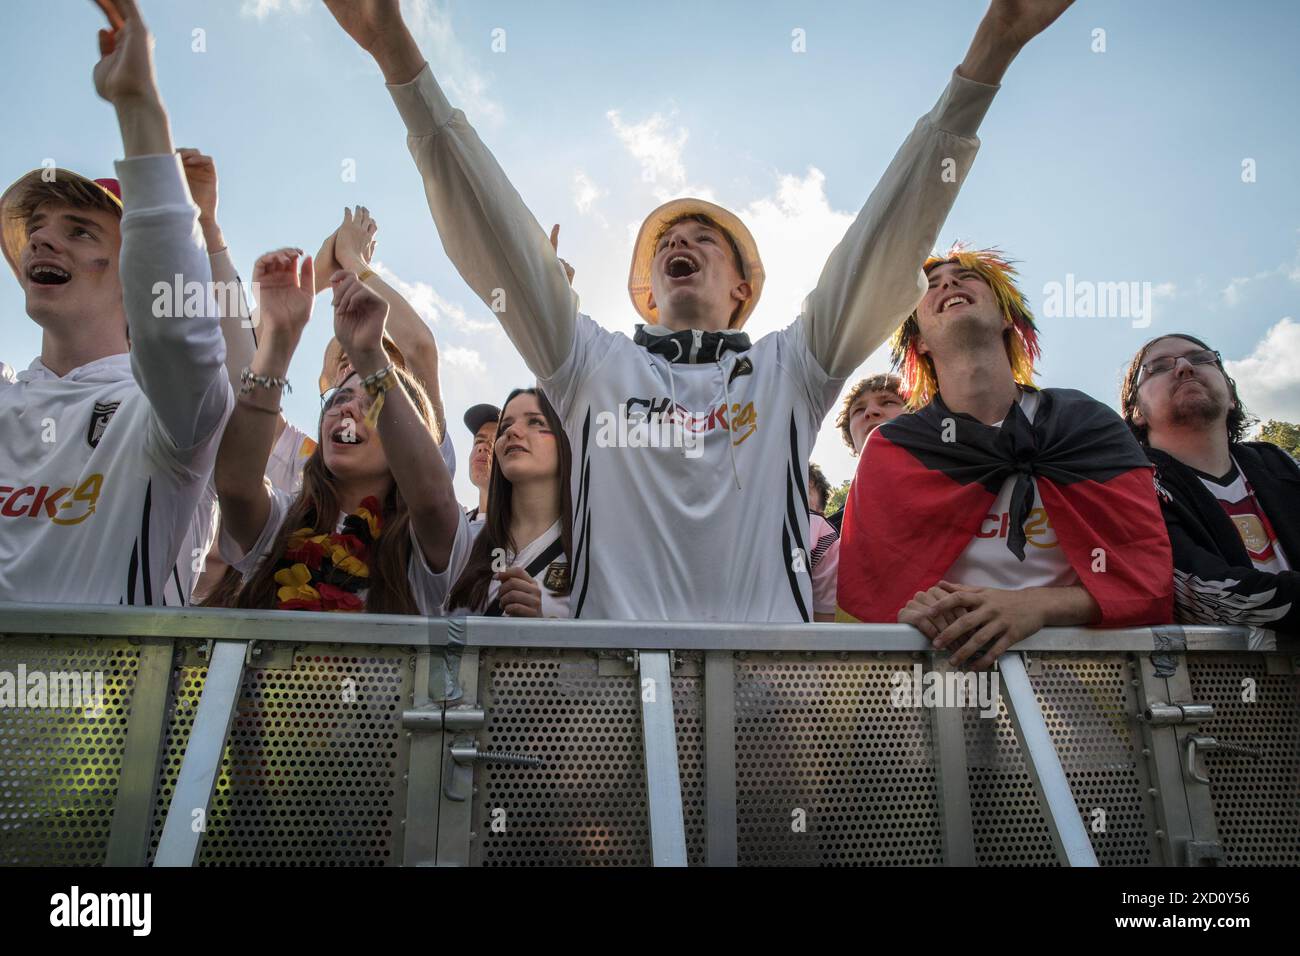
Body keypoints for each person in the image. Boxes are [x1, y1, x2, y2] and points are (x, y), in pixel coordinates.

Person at [322, 0, 1074, 622]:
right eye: (667, 243)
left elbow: (887, 232)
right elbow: (496, 237)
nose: (683, 243)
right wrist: (397, 55)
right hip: (610, 713)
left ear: (743, 287)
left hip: (767, 713)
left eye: (705, 238)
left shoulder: (794, 365)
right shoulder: (589, 364)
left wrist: (991, 53)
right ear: (647, 287)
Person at [837, 246, 1173, 668]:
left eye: (966, 277)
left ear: (1005, 317)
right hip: (937, 678)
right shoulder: (892, 448)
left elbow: (1146, 579)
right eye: (931, 286)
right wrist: (905, 614)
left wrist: (1036, 607)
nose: (948, 284)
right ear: (919, 340)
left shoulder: (1088, 424)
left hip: (1087, 676)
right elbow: (868, 596)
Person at [0, 0, 231, 605]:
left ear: (136, 272)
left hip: (104, 700)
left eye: (80, 231)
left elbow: (179, 335)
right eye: (40, 227)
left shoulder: (161, 416)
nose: (43, 239)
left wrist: (138, 106)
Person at [212, 248, 458, 614]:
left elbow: (434, 499)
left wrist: (373, 356)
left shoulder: (420, 545)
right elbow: (235, 486)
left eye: (370, 402)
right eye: (340, 397)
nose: (346, 408)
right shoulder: (281, 521)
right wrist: (278, 339)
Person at [1120, 333, 1299, 639]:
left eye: (1203, 359)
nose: (1185, 367)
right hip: (1220, 682)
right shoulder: (1133, 485)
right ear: (1137, 411)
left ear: (1231, 395)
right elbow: (1198, 593)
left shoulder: (1277, 463)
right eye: (1159, 367)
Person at [433, 388, 574, 617]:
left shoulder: (586, 549)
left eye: (535, 422)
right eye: (506, 426)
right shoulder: (467, 542)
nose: (513, 432)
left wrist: (542, 629)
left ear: (564, 442)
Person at [826, 373, 908, 531]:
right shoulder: (828, 536)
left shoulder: (964, 481)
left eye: (888, 402)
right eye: (858, 410)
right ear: (851, 438)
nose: (870, 411)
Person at [463, 402, 499, 527]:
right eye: (478, 441)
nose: (482, 447)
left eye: (494, 443)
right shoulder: (458, 525)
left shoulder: (525, 530)